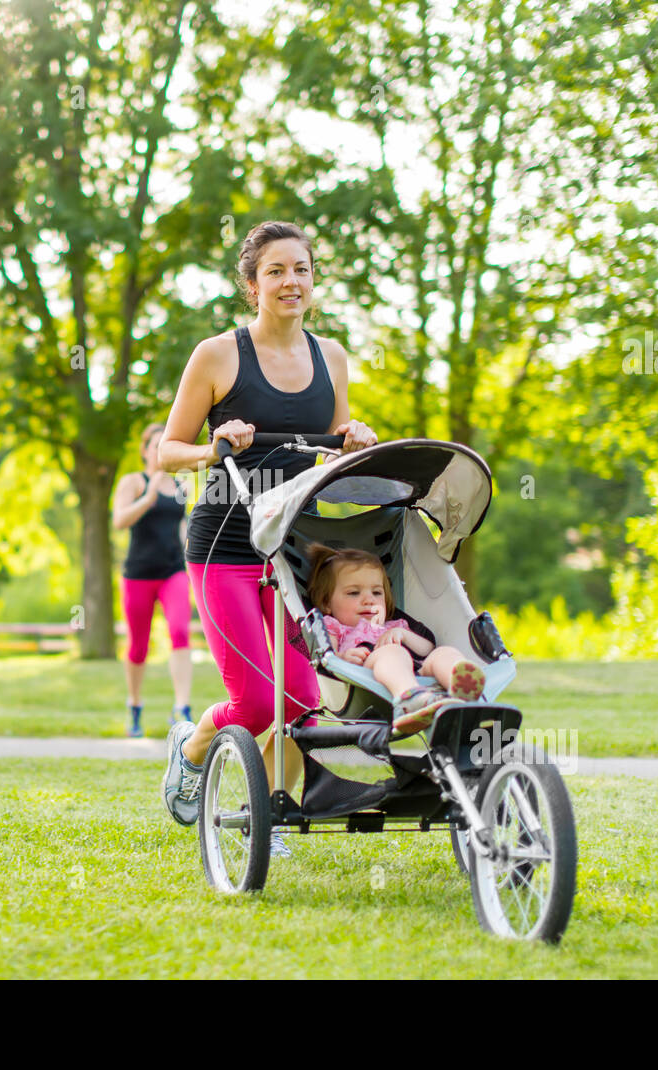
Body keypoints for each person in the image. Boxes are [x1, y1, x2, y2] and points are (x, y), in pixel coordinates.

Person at [157, 220, 377, 852]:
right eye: (276, 271)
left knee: (304, 698)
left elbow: (330, 454)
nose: (291, 282)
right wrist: (215, 448)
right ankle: (193, 748)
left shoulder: (330, 357)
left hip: (288, 544)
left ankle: (270, 813)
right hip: (224, 543)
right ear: (252, 284)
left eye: (301, 269)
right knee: (254, 702)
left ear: (313, 279)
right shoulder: (218, 355)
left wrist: (353, 440)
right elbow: (170, 449)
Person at [306, 544, 485, 733]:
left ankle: (462, 689)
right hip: (368, 679)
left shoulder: (395, 625)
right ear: (326, 602)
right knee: (391, 652)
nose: (369, 599)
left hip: (419, 671)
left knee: (443, 652)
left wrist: (404, 634)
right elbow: (328, 656)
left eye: (376, 592)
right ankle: (408, 697)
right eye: (354, 593)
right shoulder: (334, 626)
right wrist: (344, 658)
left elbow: (427, 649)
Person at [112, 422, 194, 737]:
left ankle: (182, 708)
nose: (160, 451)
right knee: (138, 646)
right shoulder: (133, 481)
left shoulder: (180, 486)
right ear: (145, 451)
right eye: (155, 445)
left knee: (179, 631)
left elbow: (184, 529)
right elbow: (119, 521)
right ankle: (134, 706)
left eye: (166, 445)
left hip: (173, 571)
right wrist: (147, 497)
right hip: (138, 574)